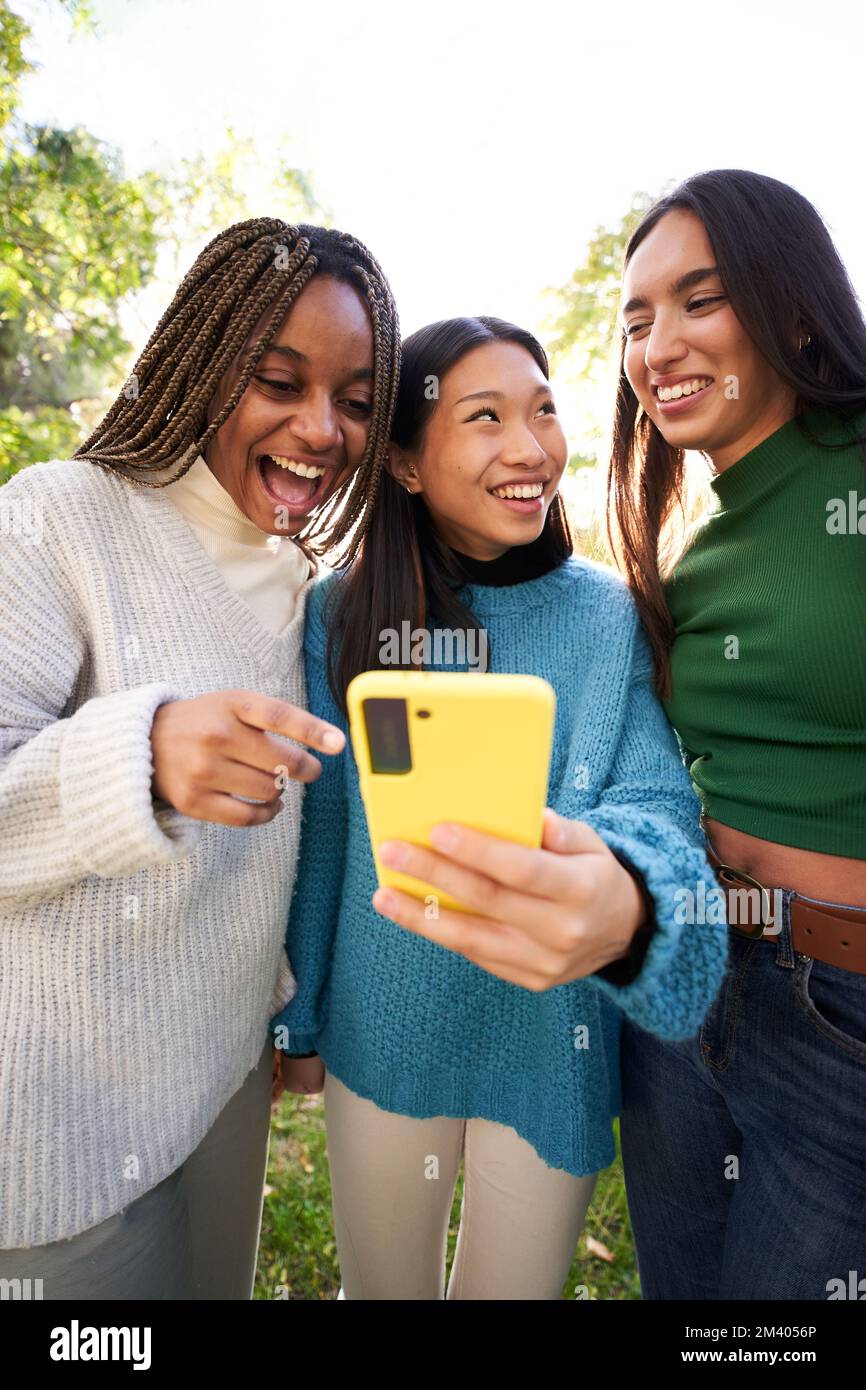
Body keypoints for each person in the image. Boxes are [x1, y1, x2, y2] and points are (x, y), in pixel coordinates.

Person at [271, 315, 727, 1300]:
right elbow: (323, 837)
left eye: (543, 411)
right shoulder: (338, 613)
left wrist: (619, 875)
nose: (530, 448)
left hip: (549, 1036)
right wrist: (297, 1021)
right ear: (401, 462)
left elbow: (651, 793)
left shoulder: (605, 615)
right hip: (382, 1027)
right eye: (484, 417)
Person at [0, 217, 400, 1298]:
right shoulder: (57, 515)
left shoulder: (297, 585)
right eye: (278, 381)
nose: (321, 429)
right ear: (197, 360)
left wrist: (279, 999)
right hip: (57, 1125)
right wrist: (140, 750)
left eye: (357, 401)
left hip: (222, 1081)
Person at [607, 169, 866, 1301]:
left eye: (696, 301)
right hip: (688, 973)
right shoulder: (692, 559)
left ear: (794, 310)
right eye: (634, 318)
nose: (656, 345)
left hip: (839, 1012)